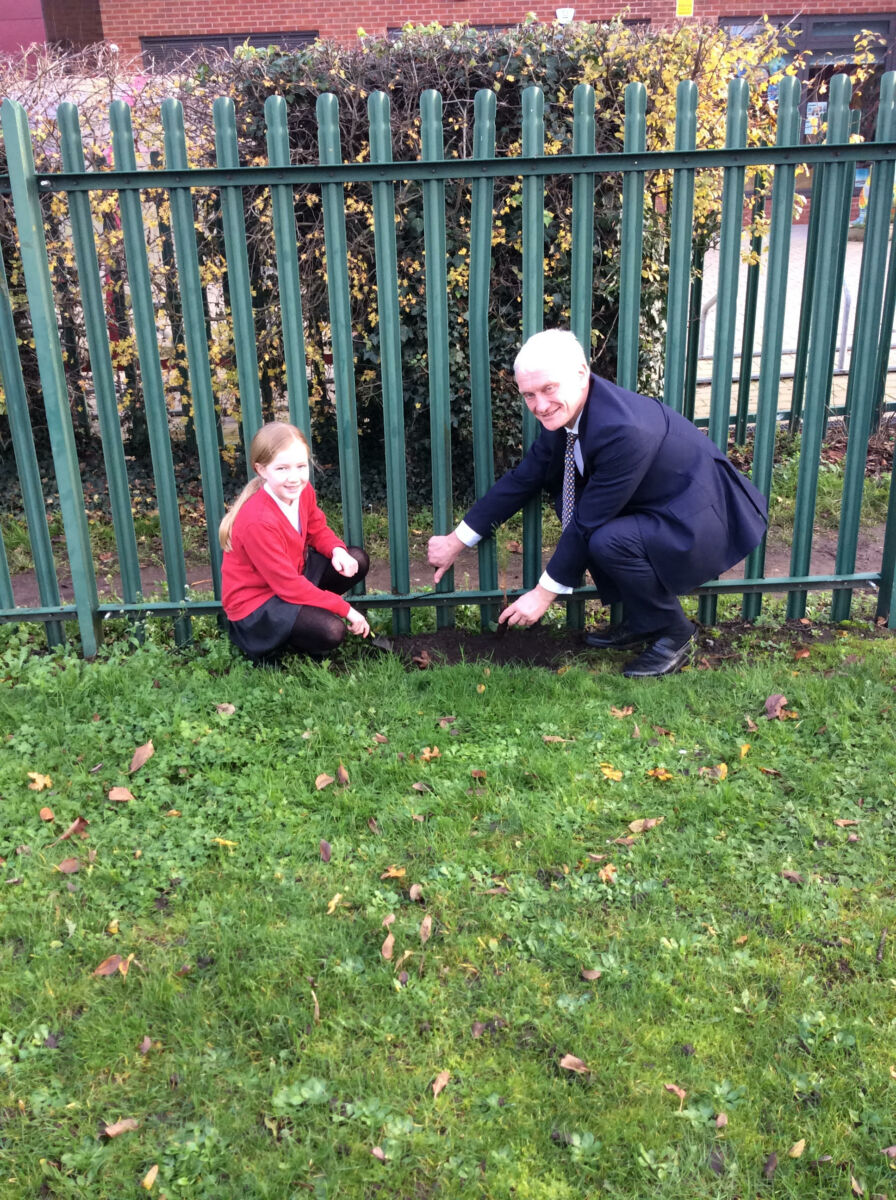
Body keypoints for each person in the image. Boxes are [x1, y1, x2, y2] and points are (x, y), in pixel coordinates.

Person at [427, 330, 768, 677]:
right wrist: (456, 541)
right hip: (658, 506)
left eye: (548, 389)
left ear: (580, 373)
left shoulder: (623, 428)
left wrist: (542, 595)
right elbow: (525, 477)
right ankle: (643, 622)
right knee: (592, 527)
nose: (540, 405)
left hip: (702, 518)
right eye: (529, 394)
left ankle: (675, 633)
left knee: (606, 539)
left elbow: (586, 523)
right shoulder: (568, 413)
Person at [220, 421, 370, 664]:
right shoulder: (257, 521)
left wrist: (337, 551)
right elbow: (288, 586)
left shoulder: (302, 491)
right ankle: (275, 643)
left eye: (301, 466)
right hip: (257, 604)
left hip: (290, 577)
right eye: (282, 469)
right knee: (332, 631)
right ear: (261, 470)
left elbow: (316, 529)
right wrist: (346, 610)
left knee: (356, 560)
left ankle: (305, 621)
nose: (294, 478)